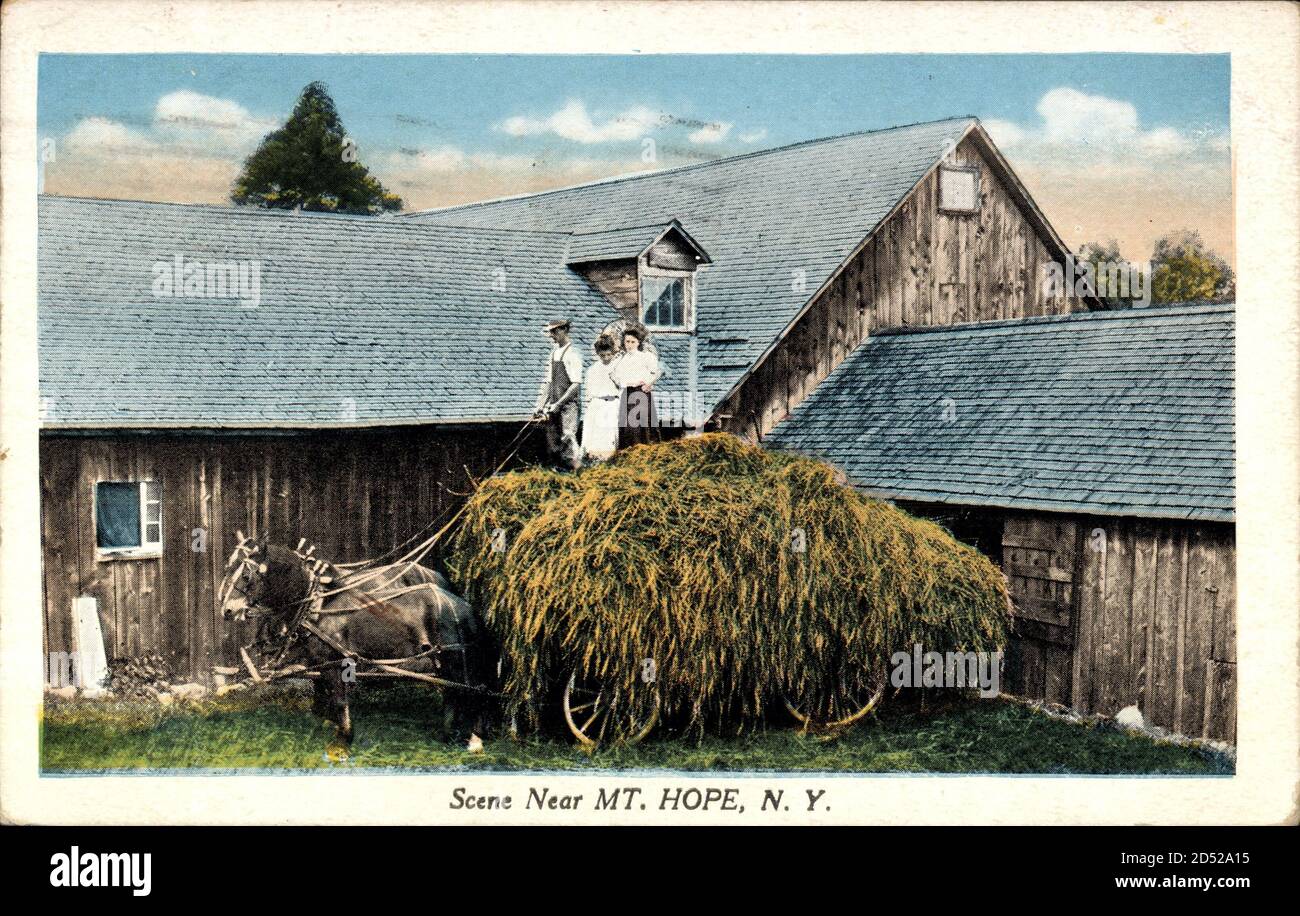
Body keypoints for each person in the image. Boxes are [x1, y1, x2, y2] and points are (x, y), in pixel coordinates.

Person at [534, 319, 583, 470]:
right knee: (553, 440)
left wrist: (558, 404)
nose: (552, 336)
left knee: (568, 437)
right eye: (550, 332)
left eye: (554, 332)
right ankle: (557, 471)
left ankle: (575, 472)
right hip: (554, 406)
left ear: (564, 330)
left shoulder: (573, 354)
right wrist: (540, 405)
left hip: (568, 406)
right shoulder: (554, 354)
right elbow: (549, 382)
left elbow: (575, 385)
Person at [611, 323, 662, 450]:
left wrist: (649, 383)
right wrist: (623, 383)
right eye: (627, 341)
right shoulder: (621, 359)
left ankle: (644, 452)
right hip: (627, 393)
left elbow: (658, 372)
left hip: (641, 393)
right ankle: (628, 453)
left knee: (641, 426)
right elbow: (613, 375)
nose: (629, 345)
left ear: (638, 343)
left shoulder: (646, 357)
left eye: (632, 342)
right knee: (628, 427)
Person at [581, 333, 621, 461]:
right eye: (603, 355)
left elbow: (622, 387)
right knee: (596, 433)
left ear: (613, 353)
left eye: (609, 354)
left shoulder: (617, 368)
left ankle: (608, 459)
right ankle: (594, 459)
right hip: (597, 404)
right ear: (598, 354)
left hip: (612, 403)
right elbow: (589, 392)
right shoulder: (593, 370)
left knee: (609, 433)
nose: (606, 358)